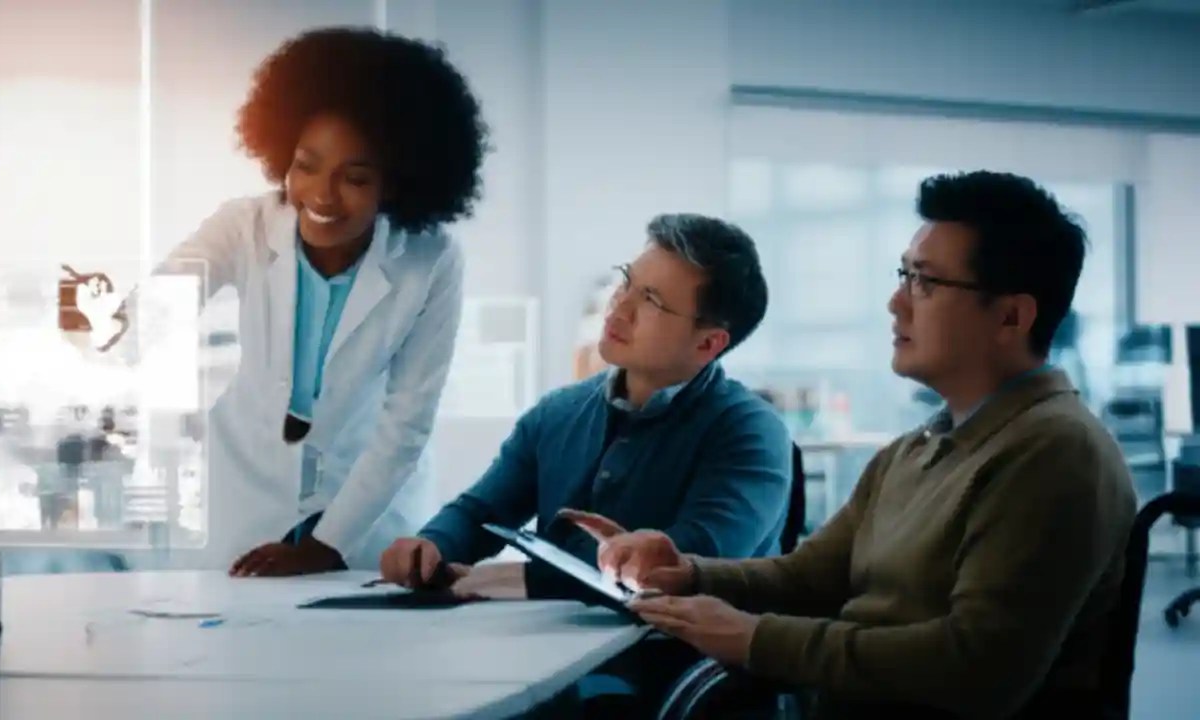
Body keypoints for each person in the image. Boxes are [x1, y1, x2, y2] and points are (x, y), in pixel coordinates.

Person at [573, 171, 1138, 718]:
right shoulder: (916, 449)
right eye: (903, 276)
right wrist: (691, 573)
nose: (897, 303)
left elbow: (976, 670)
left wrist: (755, 639)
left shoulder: (1057, 452)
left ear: (1011, 316)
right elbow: (810, 578)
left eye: (926, 282)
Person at [89, 27, 489, 575]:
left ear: (396, 183)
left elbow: (407, 423)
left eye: (355, 177)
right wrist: (102, 328)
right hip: (245, 496)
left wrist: (328, 545)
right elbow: (161, 303)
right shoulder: (244, 227)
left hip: (365, 506)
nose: (322, 195)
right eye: (306, 165)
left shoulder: (432, 260)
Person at [378, 213, 792, 604]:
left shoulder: (751, 432)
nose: (619, 306)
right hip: (559, 650)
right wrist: (430, 546)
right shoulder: (559, 412)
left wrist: (513, 580)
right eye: (627, 281)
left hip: (675, 664)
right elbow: (481, 511)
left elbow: (681, 566)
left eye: (650, 300)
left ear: (708, 344)